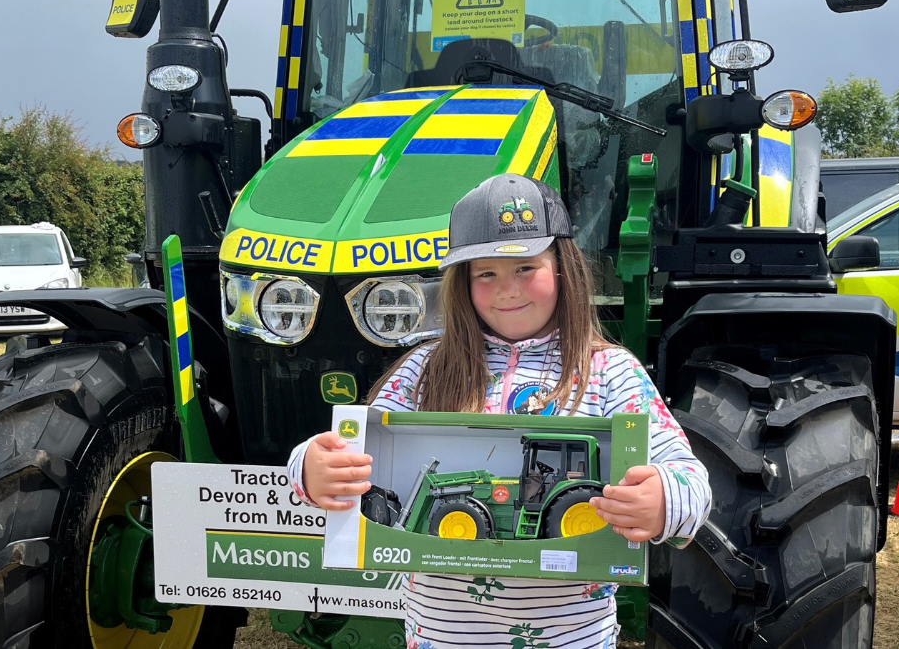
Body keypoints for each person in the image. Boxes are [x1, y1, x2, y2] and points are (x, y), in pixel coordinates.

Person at [287, 174, 711, 649]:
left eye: (526, 267)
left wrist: (661, 502)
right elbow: (350, 450)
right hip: (441, 638)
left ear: (563, 266)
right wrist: (312, 467)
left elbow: (690, 481)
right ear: (463, 284)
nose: (507, 289)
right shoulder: (427, 369)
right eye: (486, 274)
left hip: (572, 639)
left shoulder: (608, 371)